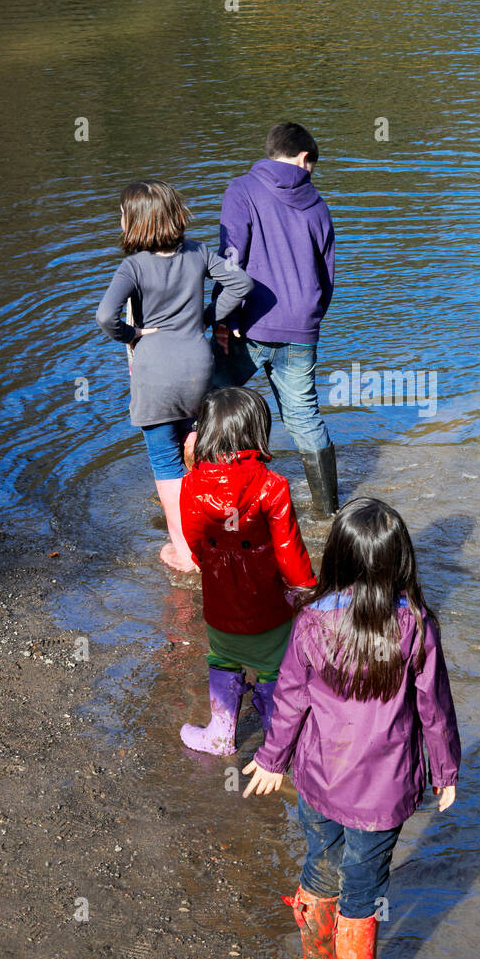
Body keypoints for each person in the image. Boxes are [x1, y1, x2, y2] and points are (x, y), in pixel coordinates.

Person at [242, 497, 461, 959]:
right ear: (401, 561)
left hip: (318, 777)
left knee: (322, 861)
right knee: (363, 890)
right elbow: (434, 708)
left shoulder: (311, 621)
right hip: (381, 793)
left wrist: (271, 760)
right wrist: (445, 771)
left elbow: (290, 698)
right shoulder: (416, 626)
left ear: (337, 554)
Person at [96, 180, 253, 572]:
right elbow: (241, 283)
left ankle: (186, 553)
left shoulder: (132, 266)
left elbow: (104, 318)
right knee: (199, 446)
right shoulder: (199, 253)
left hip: (155, 374)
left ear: (134, 222)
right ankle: (223, 528)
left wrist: (132, 335)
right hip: (199, 367)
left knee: (166, 466)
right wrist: (206, 317)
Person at [178, 386, 316, 755]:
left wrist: (210, 567)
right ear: (257, 431)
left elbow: (193, 541)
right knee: (274, 667)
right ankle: (278, 738)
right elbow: (289, 551)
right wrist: (307, 589)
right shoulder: (273, 487)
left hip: (219, 601)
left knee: (222, 657)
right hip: (267, 604)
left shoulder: (191, 484)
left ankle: (221, 734)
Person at [213, 122, 338, 518]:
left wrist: (222, 317)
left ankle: (210, 499)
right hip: (301, 328)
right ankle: (327, 512)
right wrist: (311, 318)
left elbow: (230, 258)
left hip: (247, 324)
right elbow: (327, 275)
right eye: (312, 166)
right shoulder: (317, 204)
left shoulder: (242, 190)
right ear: (304, 159)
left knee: (208, 401)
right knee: (303, 415)